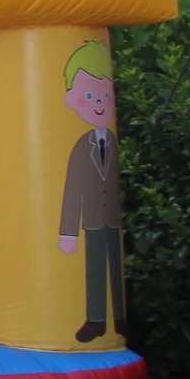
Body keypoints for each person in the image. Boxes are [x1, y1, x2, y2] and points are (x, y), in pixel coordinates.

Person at [57, 40, 124, 343]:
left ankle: (118, 317)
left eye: (105, 95)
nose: (100, 103)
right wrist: (68, 232)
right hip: (94, 220)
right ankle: (96, 319)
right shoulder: (81, 147)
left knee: (115, 267)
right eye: (90, 96)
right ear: (72, 100)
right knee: (95, 268)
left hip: (112, 218)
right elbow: (73, 190)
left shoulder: (111, 141)